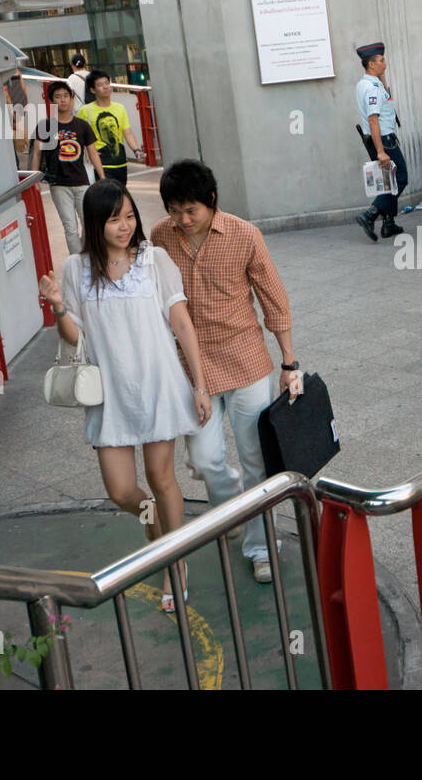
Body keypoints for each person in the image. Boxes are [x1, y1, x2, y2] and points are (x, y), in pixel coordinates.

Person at [37, 180, 212, 612]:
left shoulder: (155, 261)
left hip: (157, 383)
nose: (125, 226)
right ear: (95, 223)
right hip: (110, 392)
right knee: (121, 491)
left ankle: (176, 565)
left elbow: (183, 324)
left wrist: (200, 384)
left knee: (162, 477)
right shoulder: (75, 269)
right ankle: (158, 523)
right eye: (114, 219)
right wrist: (58, 306)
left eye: (130, 216)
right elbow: (74, 336)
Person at [152, 160, 299, 584]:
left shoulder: (243, 234)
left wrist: (289, 362)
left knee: (255, 458)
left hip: (244, 359)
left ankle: (258, 546)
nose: (182, 220)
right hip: (189, 367)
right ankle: (234, 504)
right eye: (174, 210)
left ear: (211, 201)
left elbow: (274, 298)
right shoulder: (161, 237)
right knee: (204, 458)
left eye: (190, 211)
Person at [32, 80, 104, 254]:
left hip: (81, 181)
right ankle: (77, 261)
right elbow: (36, 153)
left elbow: (93, 153)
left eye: (66, 96)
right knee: (70, 227)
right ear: (52, 101)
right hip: (59, 184)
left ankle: (85, 254)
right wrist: (34, 179)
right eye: (58, 96)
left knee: (89, 223)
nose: (63, 100)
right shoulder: (45, 126)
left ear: (72, 98)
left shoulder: (82, 125)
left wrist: (102, 177)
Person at [354, 42, 408, 242]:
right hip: (384, 140)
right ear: (371, 64)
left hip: (378, 139)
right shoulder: (372, 89)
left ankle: (388, 224)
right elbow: (373, 119)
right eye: (381, 61)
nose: (385, 64)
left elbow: (387, 94)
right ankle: (371, 214)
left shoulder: (365, 83)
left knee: (388, 182)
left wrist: (382, 77)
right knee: (400, 177)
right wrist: (381, 151)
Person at [81, 70, 141, 185]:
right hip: (101, 164)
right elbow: (78, 134)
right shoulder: (86, 111)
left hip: (120, 163)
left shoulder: (120, 108)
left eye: (107, 83)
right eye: (100, 85)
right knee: (106, 198)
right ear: (92, 90)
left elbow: (127, 133)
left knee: (120, 197)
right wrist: (86, 151)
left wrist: (136, 150)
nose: (105, 87)